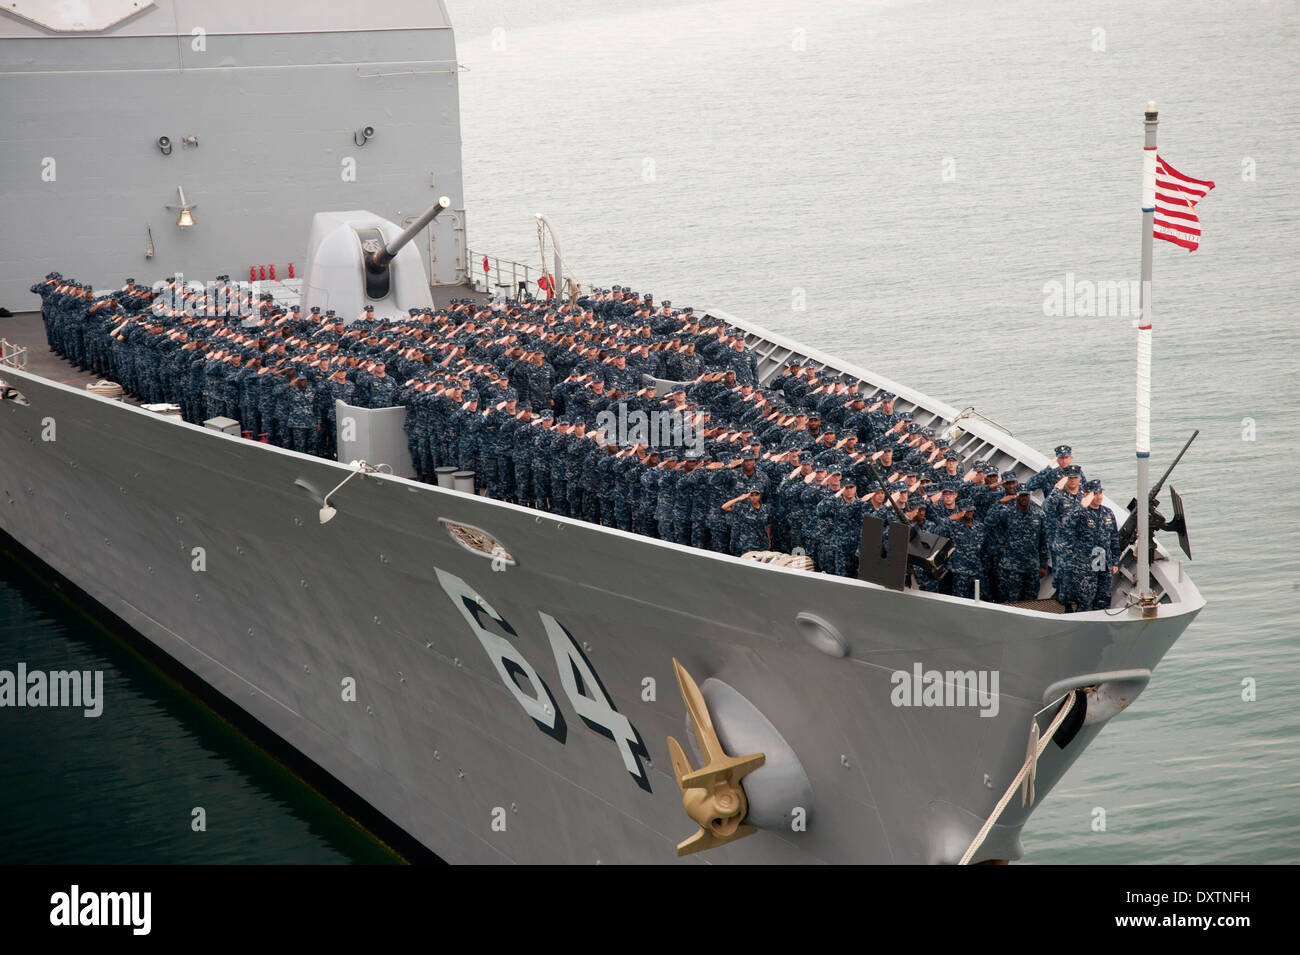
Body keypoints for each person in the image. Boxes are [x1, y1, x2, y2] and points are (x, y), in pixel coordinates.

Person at [1062, 480, 1120, 612]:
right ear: (1086, 495)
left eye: (1100, 493)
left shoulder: (1108, 513)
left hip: (1104, 564)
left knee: (1104, 600)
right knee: (1085, 601)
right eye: (1095, 494)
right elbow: (1067, 525)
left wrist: (1115, 561)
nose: (1099, 497)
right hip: (1086, 567)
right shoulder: (1080, 513)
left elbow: (1114, 539)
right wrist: (1081, 506)